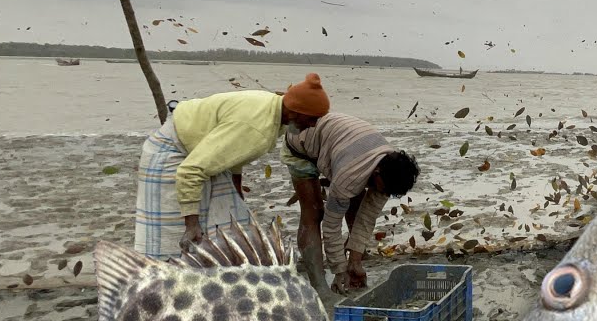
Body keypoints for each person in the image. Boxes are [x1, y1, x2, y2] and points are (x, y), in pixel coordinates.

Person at [134, 73, 331, 261]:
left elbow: (235, 151)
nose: (313, 125)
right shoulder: (257, 127)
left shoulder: (276, 111)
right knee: (175, 235)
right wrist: (191, 224)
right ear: (296, 112)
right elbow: (190, 170)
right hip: (171, 152)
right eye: (312, 119)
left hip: (198, 149)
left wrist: (236, 187)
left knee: (230, 222)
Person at [280, 112, 420, 294]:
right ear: (377, 172)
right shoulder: (350, 177)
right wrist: (339, 271)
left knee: (356, 205)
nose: (384, 194)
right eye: (383, 189)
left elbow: (367, 218)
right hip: (301, 139)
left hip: (340, 146)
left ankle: (353, 262)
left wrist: (355, 262)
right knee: (314, 212)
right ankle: (318, 282)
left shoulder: (391, 171)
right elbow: (331, 227)